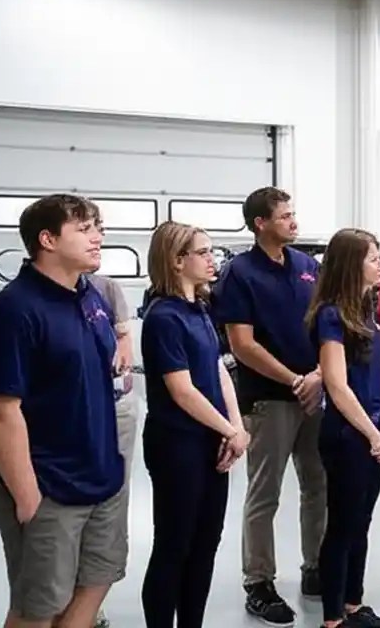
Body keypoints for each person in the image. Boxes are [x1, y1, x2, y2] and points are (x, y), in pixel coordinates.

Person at [0, 193, 127, 628]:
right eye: (84, 229)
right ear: (48, 240)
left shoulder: (90, 298)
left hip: (100, 474)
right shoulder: (14, 312)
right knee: (38, 607)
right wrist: (27, 496)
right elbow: (0, 411)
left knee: (96, 580)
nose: (98, 238)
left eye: (98, 228)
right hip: (49, 485)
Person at [211, 186, 326, 626]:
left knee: (319, 485)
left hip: (314, 393)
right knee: (265, 492)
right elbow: (242, 344)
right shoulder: (239, 273)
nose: (293, 222)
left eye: (294, 214)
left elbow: (324, 325)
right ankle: (258, 582)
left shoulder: (307, 267)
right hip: (269, 399)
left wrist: (318, 375)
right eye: (284, 216)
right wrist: (295, 379)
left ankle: (315, 567)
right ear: (260, 222)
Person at [139, 221, 246, 628]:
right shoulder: (164, 317)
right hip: (178, 445)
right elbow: (181, 391)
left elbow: (218, 370)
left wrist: (235, 425)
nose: (211, 259)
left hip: (212, 440)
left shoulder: (199, 308)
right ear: (176, 260)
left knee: (205, 545)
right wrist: (229, 430)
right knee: (174, 545)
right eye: (202, 252)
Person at [307, 228, 380, 628]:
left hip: (376, 431)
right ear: (351, 264)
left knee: (361, 521)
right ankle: (332, 618)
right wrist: (373, 434)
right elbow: (337, 385)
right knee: (343, 524)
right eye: (373, 257)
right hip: (349, 436)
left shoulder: (368, 311)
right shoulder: (331, 315)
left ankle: (353, 604)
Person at [84, 269, 136, 628]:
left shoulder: (104, 288)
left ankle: (91, 606)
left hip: (115, 405)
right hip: (73, 414)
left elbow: (124, 339)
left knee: (111, 505)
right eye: (85, 229)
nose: (96, 237)